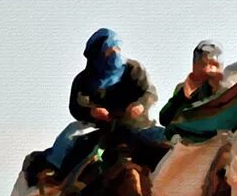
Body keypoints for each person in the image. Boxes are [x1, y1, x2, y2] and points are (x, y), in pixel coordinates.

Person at [43, 28, 160, 181]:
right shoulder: (84, 80)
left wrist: (141, 105)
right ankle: (53, 172)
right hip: (98, 127)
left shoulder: (134, 69)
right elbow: (76, 106)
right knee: (69, 135)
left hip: (133, 124)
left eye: (117, 49)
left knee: (163, 138)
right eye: (110, 51)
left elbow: (149, 93)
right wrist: (92, 112)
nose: (116, 54)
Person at [159, 40, 223, 127]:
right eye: (205, 64)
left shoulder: (226, 87)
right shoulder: (183, 89)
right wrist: (184, 95)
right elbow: (164, 118)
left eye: (215, 65)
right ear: (195, 65)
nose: (210, 70)